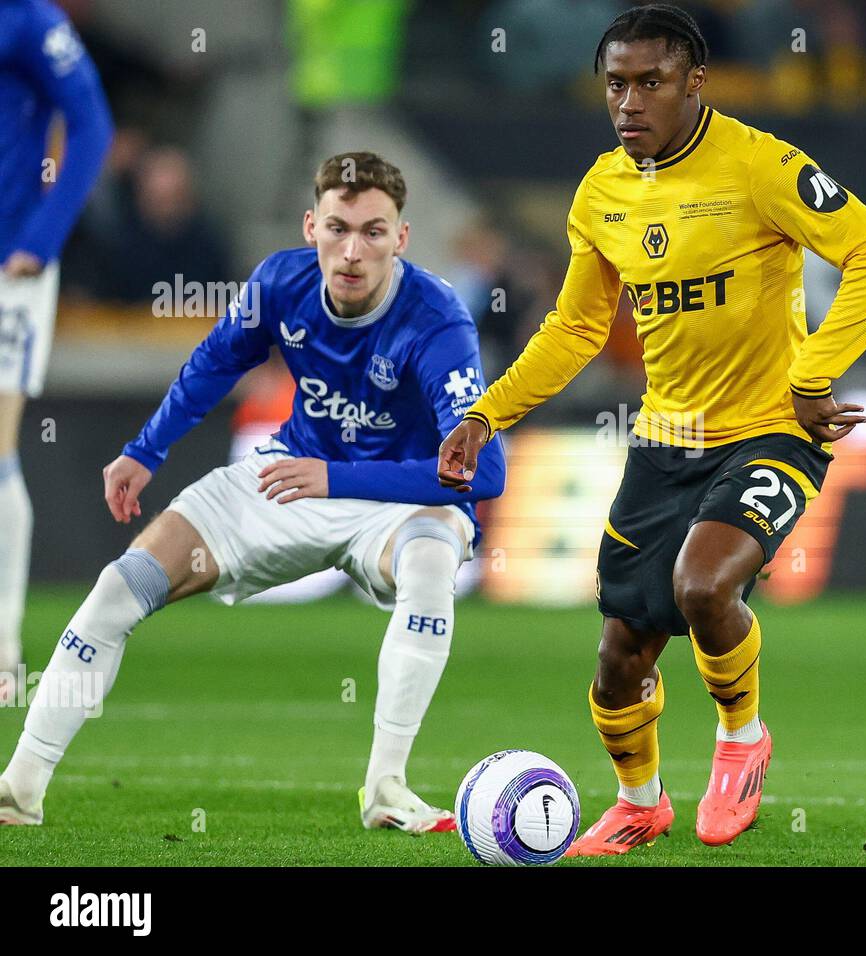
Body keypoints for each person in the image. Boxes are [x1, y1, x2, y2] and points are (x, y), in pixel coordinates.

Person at [437, 4, 866, 855]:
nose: (629, 102)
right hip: (666, 441)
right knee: (621, 652)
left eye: (650, 82)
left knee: (703, 586)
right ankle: (639, 802)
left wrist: (812, 376)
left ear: (696, 82)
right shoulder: (603, 190)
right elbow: (577, 328)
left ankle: (741, 740)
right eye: (616, 84)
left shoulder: (762, 165)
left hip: (773, 430)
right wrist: (487, 413)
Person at [0, 152, 506, 830]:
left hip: (395, 502)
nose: (352, 251)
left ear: (402, 239)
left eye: (374, 232)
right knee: (118, 588)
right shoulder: (279, 283)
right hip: (287, 478)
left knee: (430, 562)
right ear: (310, 227)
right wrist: (144, 450)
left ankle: (386, 787)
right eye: (338, 227)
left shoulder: (438, 320)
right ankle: (20, 788)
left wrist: (338, 477)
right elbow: (213, 364)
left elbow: (484, 471)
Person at [0, 0, 114, 705]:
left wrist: (38, 243)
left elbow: (93, 125)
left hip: (9, 267)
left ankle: (4, 651)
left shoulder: (30, 19)